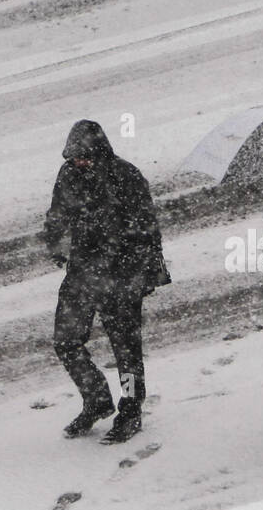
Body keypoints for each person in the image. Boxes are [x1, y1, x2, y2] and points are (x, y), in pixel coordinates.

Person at [44, 120, 170, 444]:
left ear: (99, 152)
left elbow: (147, 230)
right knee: (66, 340)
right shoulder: (68, 174)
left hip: (121, 279)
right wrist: (56, 243)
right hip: (82, 274)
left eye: (83, 158)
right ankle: (97, 398)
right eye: (73, 159)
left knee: (126, 354)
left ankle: (131, 410)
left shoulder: (126, 177)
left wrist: (141, 274)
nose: (78, 164)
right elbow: (57, 215)